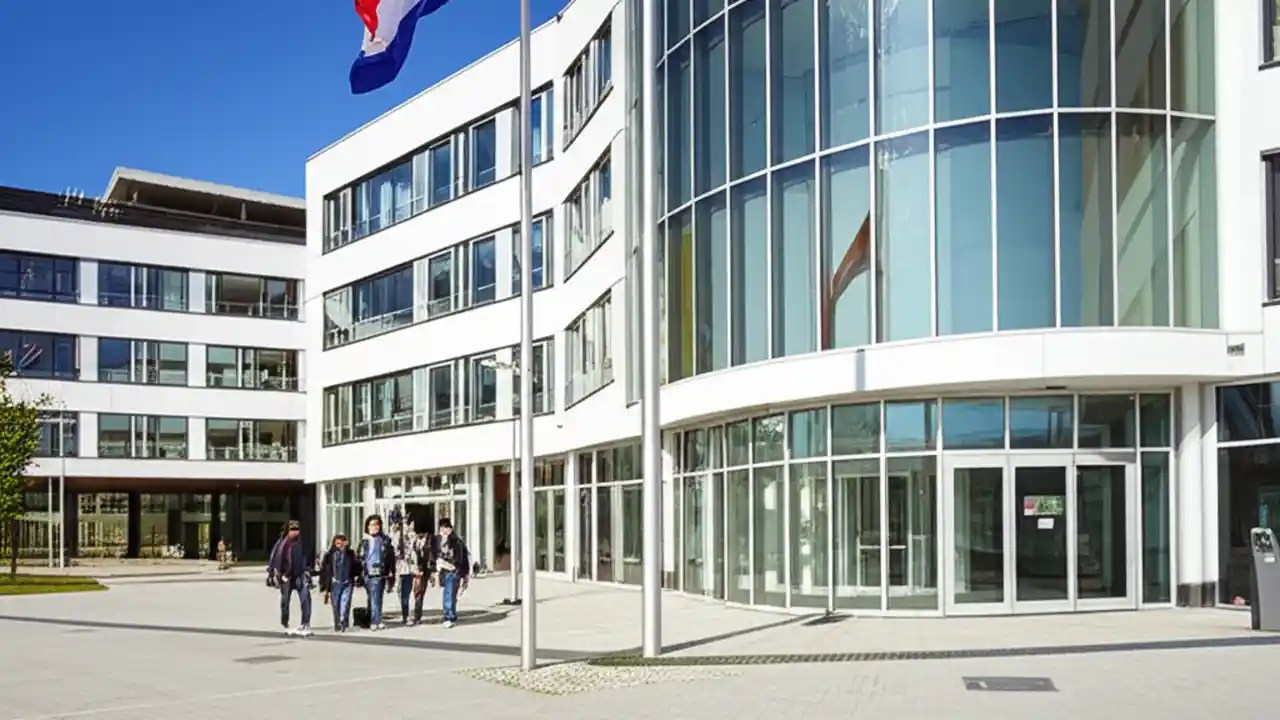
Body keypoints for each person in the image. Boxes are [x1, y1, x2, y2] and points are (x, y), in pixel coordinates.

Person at [266, 519, 313, 637]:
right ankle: (285, 621)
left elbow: (308, 557)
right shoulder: (282, 544)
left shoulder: (302, 543)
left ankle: (305, 622)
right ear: (288, 531)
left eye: (297, 530)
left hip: (300, 575)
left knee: (305, 598)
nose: (295, 533)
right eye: (292, 530)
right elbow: (274, 558)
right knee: (285, 599)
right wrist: (272, 573)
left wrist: (308, 570)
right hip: (286, 575)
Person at [430, 517, 470, 629]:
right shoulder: (436, 539)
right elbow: (432, 555)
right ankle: (451, 613)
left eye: (447, 527)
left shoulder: (456, 541)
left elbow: (463, 558)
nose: (445, 530)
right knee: (448, 593)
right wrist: (434, 569)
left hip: (453, 570)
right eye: (442, 528)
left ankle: (449, 616)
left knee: (450, 592)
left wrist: (465, 574)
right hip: (441, 570)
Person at [357, 514, 395, 631]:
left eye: (377, 524)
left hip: (380, 572)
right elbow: (359, 557)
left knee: (376, 596)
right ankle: (374, 618)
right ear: (367, 527)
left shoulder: (385, 541)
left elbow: (390, 557)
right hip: (367, 572)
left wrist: (391, 571)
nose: (375, 527)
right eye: (372, 525)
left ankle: (376, 620)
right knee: (373, 597)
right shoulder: (364, 541)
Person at [318, 533, 359, 632]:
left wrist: (345, 550)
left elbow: (356, 565)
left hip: (347, 582)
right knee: (336, 604)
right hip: (335, 582)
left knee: (345, 603)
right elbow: (324, 570)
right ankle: (337, 624)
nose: (339, 545)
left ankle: (344, 623)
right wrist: (323, 585)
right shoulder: (329, 554)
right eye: (337, 543)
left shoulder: (350, 553)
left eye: (342, 543)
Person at [391, 517, 426, 625]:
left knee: (412, 592)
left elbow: (419, 550)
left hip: (412, 568)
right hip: (401, 568)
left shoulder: (413, 536)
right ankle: (406, 615)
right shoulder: (395, 536)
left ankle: (411, 615)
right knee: (403, 593)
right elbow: (393, 550)